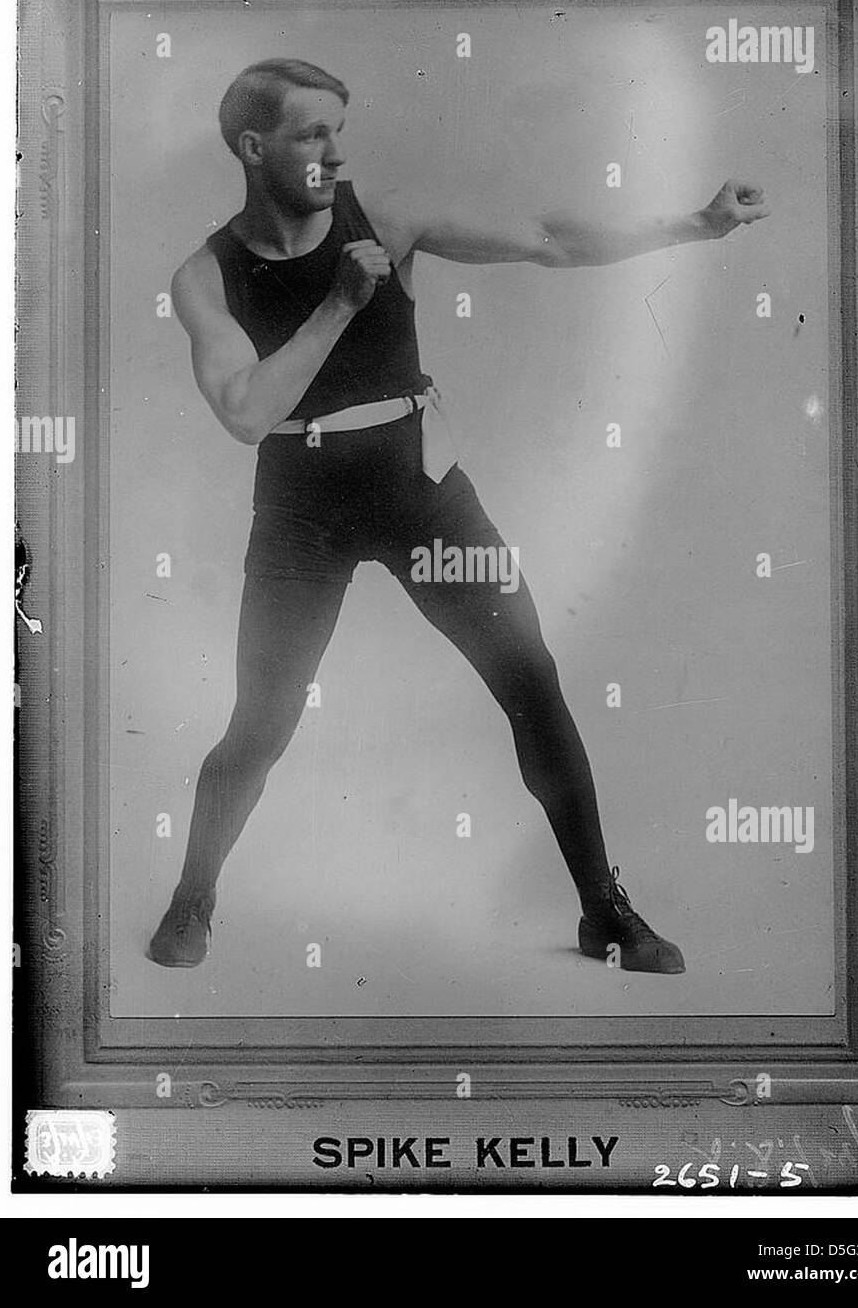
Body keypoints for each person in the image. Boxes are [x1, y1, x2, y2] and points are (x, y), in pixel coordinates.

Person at [149, 58, 769, 972]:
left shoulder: (385, 215)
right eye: (310, 134)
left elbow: (547, 236)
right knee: (262, 722)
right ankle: (194, 898)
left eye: (338, 131)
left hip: (417, 487)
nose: (333, 152)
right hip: (299, 505)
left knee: (531, 679)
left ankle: (604, 909)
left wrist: (694, 224)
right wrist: (339, 304)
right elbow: (245, 413)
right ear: (252, 146)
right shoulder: (204, 275)